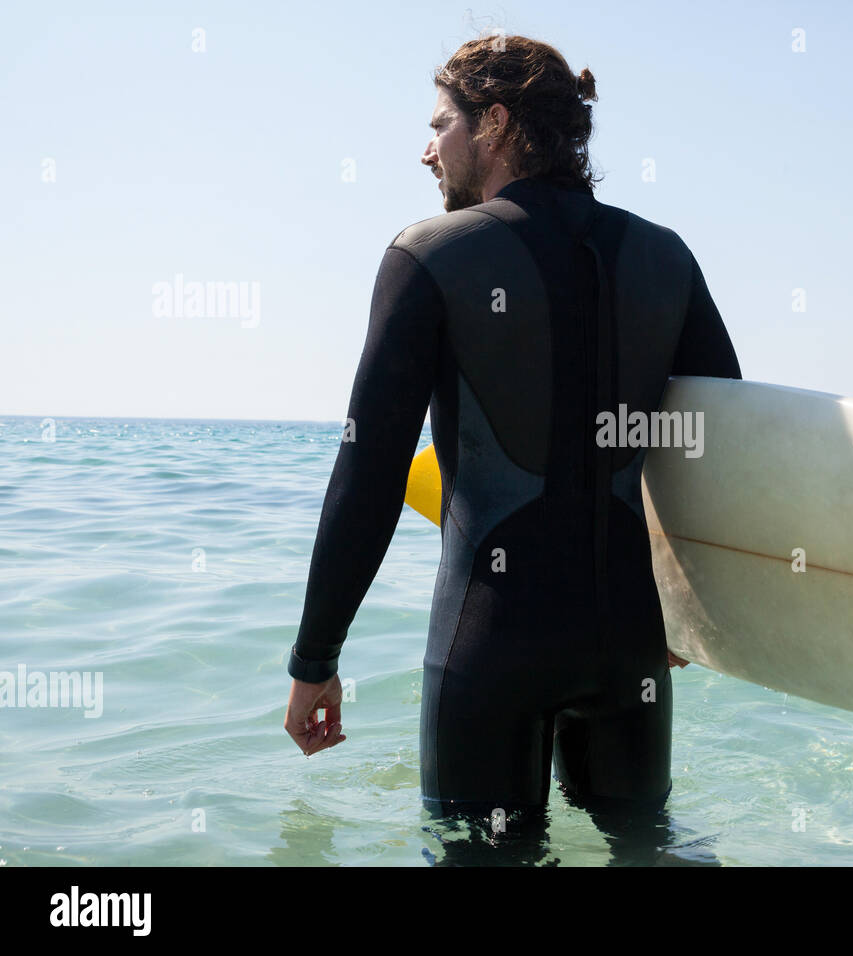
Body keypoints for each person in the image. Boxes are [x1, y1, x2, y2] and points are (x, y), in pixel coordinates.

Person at [282, 33, 741, 863]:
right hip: (630, 649)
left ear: (493, 123)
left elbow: (372, 469)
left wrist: (314, 659)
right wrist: (689, 612)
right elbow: (719, 444)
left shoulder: (429, 255)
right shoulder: (666, 258)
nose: (428, 149)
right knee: (648, 847)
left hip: (490, 654)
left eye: (441, 125)